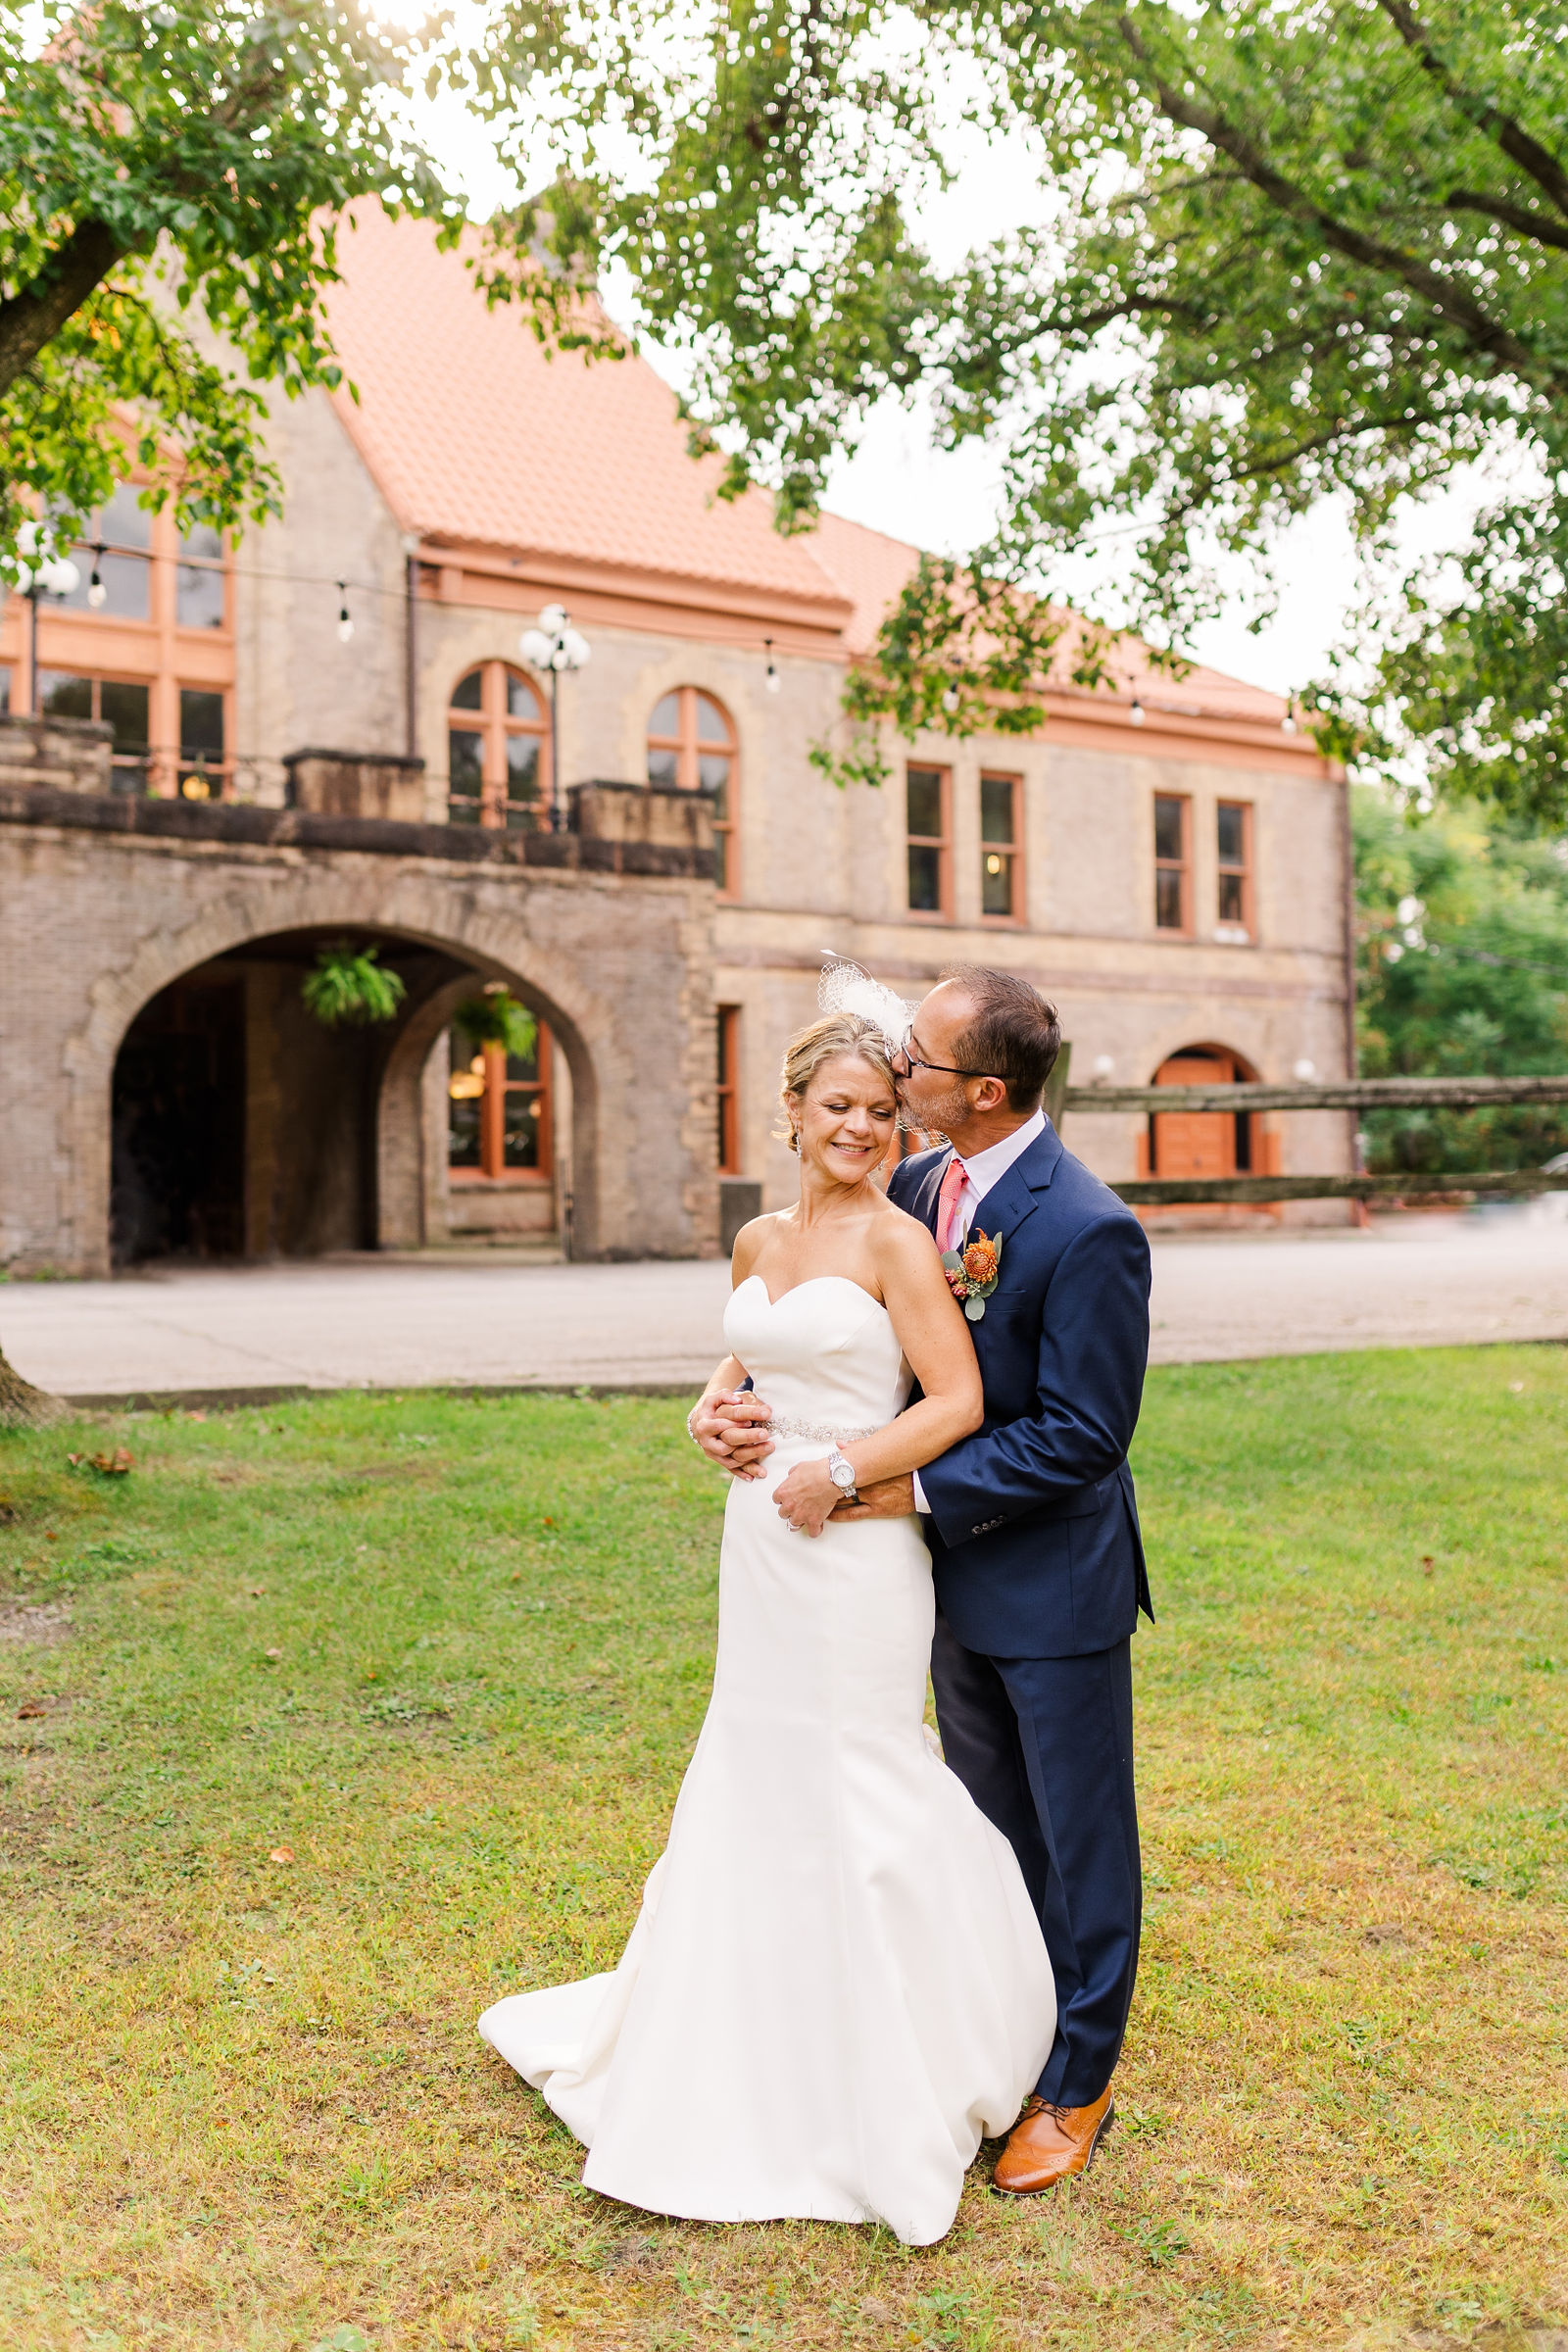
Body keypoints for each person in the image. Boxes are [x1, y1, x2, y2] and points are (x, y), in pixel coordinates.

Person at [478, 1010, 1055, 2246]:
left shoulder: (899, 1243)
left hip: (854, 1547)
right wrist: (708, 1417)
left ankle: (913, 2043)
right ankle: (742, 2032)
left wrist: (838, 1472)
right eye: (836, 1107)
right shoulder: (756, 1237)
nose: (860, 1129)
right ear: (789, 1111)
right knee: (757, 1759)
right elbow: (744, 1365)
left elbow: (955, 1401)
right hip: (758, 1542)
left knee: (860, 1765)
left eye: (879, 1112)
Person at [698, 965, 1152, 2196]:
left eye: (916, 1061)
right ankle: (997, 2032)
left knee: (1078, 1832)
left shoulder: (1087, 1227)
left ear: (983, 1090)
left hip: (1048, 1579)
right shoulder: (907, 1181)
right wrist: (729, 1409)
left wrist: (893, 1489)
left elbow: (1083, 1433)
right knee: (982, 1825)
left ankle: (1078, 2081)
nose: (895, 1076)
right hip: (916, 1575)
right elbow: (819, 1338)